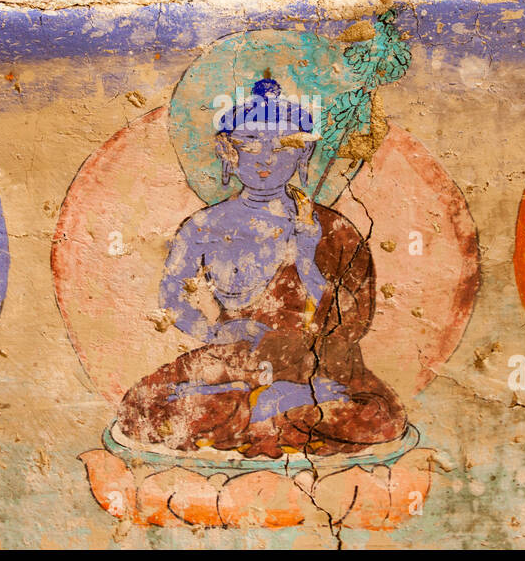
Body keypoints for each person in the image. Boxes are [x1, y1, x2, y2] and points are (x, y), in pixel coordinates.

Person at [117, 77, 406, 458]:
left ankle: (280, 399)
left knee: (378, 417)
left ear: (303, 156)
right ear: (226, 153)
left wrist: (306, 258)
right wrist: (215, 331)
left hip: (314, 365)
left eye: (280, 147)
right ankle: (262, 404)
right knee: (141, 408)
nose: (263, 160)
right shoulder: (202, 227)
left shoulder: (332, 229)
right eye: (247, 145)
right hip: (235, 360)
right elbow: (173, 301)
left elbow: (352, 323)